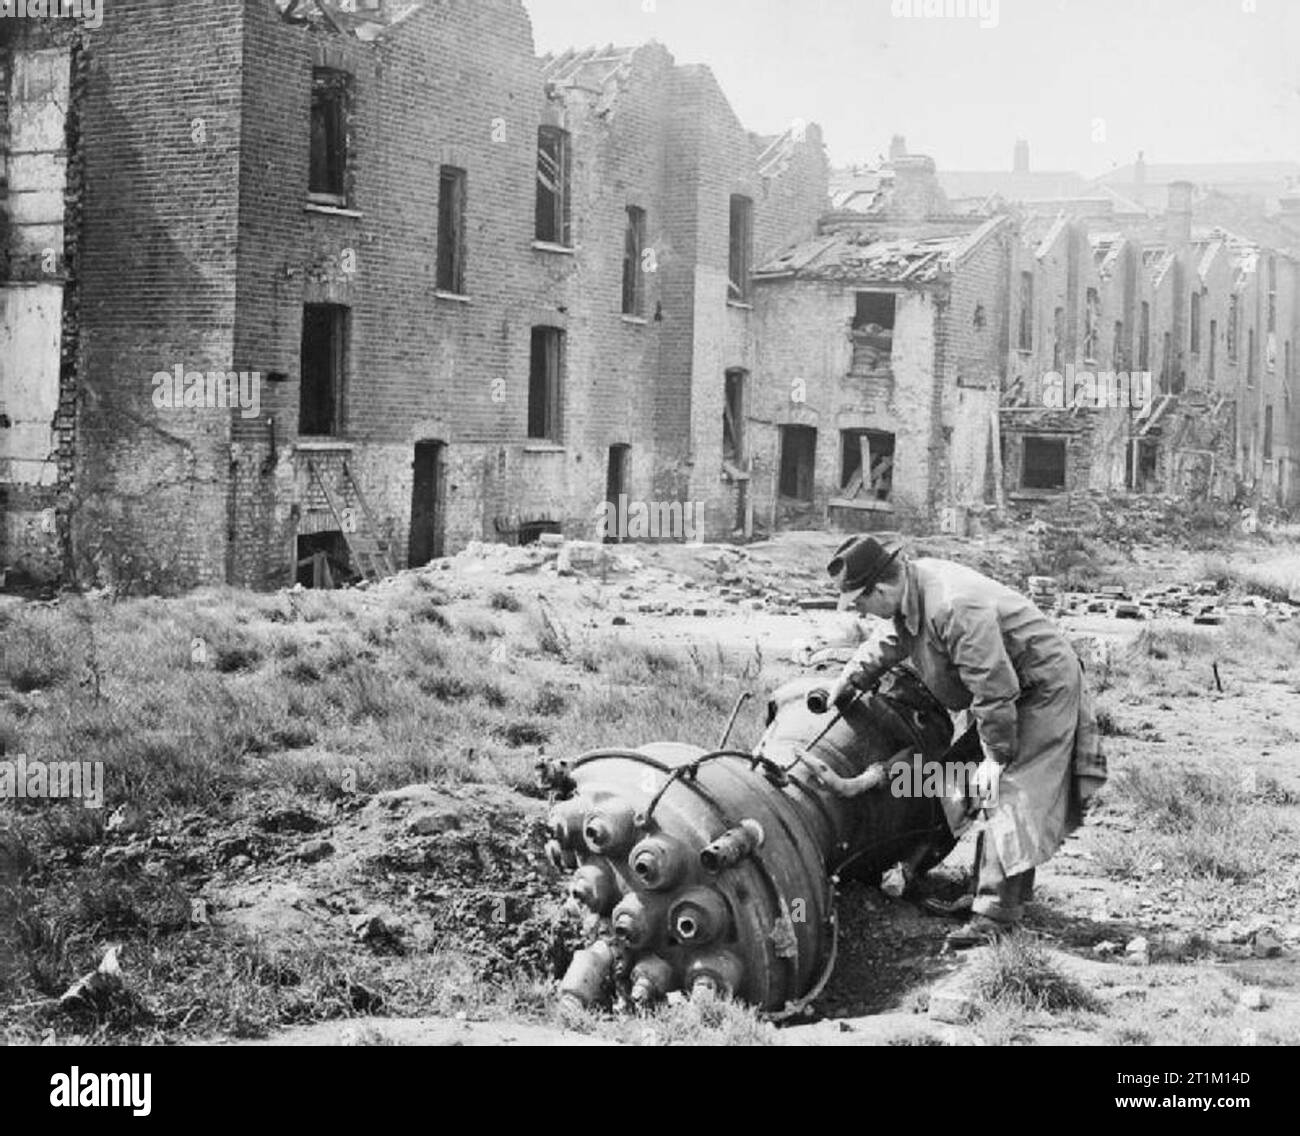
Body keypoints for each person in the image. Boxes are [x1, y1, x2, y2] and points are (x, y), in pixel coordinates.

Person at [816, 534, 1104, 948]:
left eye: (860, 603)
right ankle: (992, 894)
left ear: (879, 589)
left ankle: (995, 918)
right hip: (1011, 687)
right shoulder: (913, 587)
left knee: (1008, 790)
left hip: (1040, 686)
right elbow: (896, 637)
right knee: (957, 777)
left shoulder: (953, 605)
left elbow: (994, 690)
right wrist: (851, 677)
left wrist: (996, 756)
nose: (862, 612)